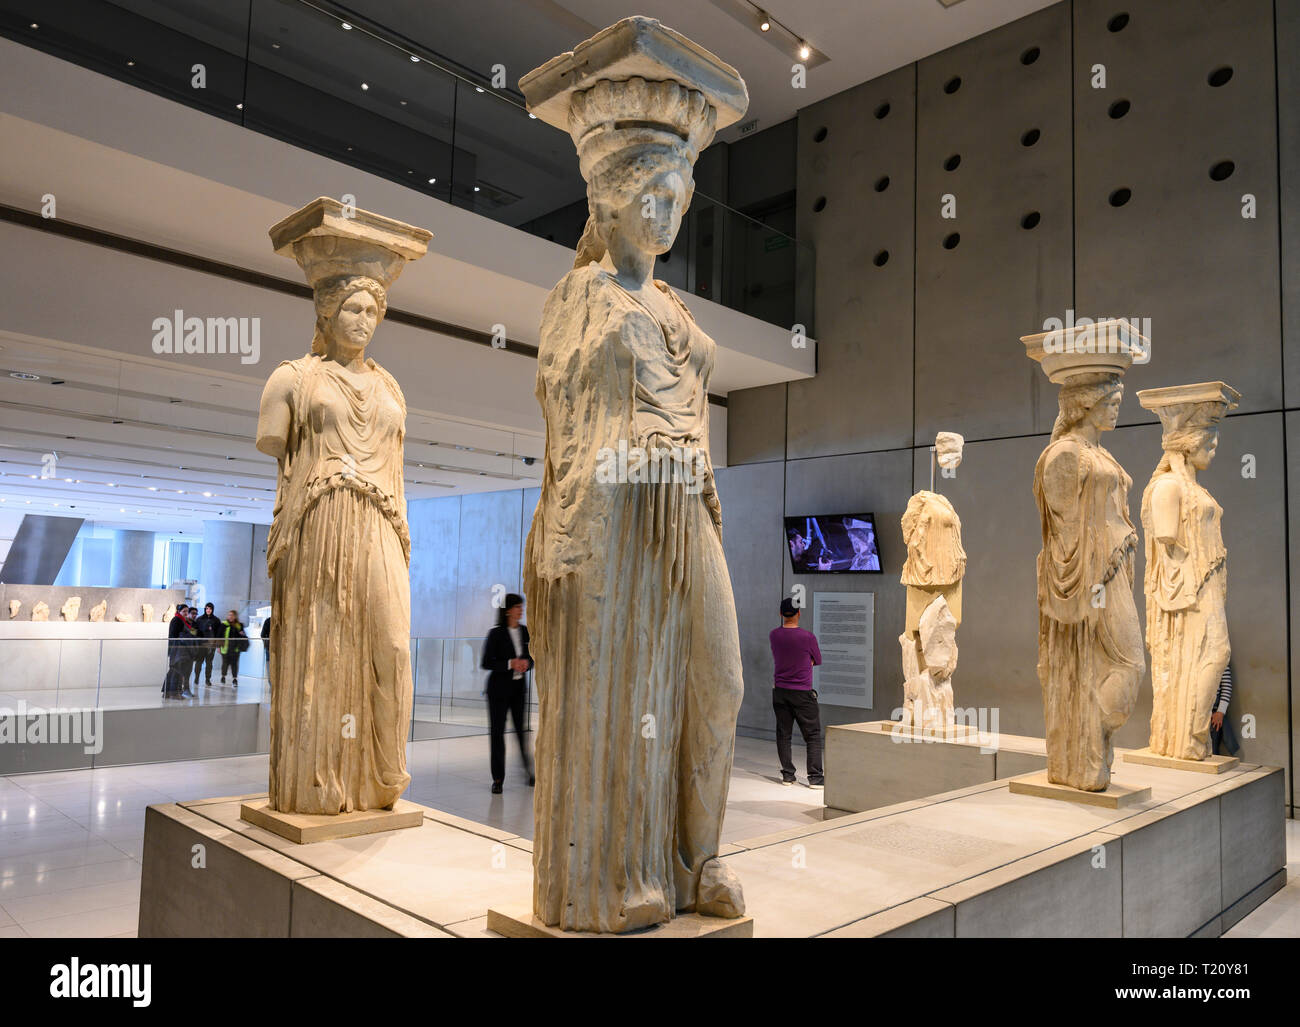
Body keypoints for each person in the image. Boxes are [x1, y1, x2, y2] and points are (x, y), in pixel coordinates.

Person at [480, 594, 534, 794]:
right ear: (508, 610)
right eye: (518, 607)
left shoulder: (525, 632)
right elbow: (486, 662)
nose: (521, 610)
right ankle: (498, 779)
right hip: (498, 690)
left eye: (522, 607)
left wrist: (527, 664)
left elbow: (532, 657)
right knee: (497, 734)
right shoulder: (496, 633)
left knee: (521, 732)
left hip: (518, 690)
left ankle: (529, 772)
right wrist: (510, 663)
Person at [769, 598, 824, 787]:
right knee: (813, 735)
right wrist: (806, 661)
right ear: (799, 613)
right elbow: (817, 659)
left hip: (780, 691)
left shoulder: (774, 635)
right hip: (802, 693)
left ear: (781, 614)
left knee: (784, 734)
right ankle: (815, 778)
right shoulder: (807, 637)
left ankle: (788, 775)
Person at [193, 602, 221, 688]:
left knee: (209, 663)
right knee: (199, 662)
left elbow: (218, 634)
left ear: (212, 609)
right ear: (205, 609)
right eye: (207, 608)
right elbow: (195, 632)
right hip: (201, 645)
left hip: (211, 645)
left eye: (210, 608)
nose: (208, 610)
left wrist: (218, 646)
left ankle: (207, 679)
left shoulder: (216, 620)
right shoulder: (199, 619)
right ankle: (196, 678)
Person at [219, 610, 249, 687]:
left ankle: (234, 679)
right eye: (229, 615)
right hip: (225, 648)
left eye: (232, 615)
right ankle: (223, 677)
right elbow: (219, 636)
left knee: (234, 664)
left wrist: (242, 634)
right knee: (224, 664)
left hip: (235, 649)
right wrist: (218, 647)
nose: (230, 616)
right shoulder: (223, 625)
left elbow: (243, 636)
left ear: (235, 616)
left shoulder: (239, 625)